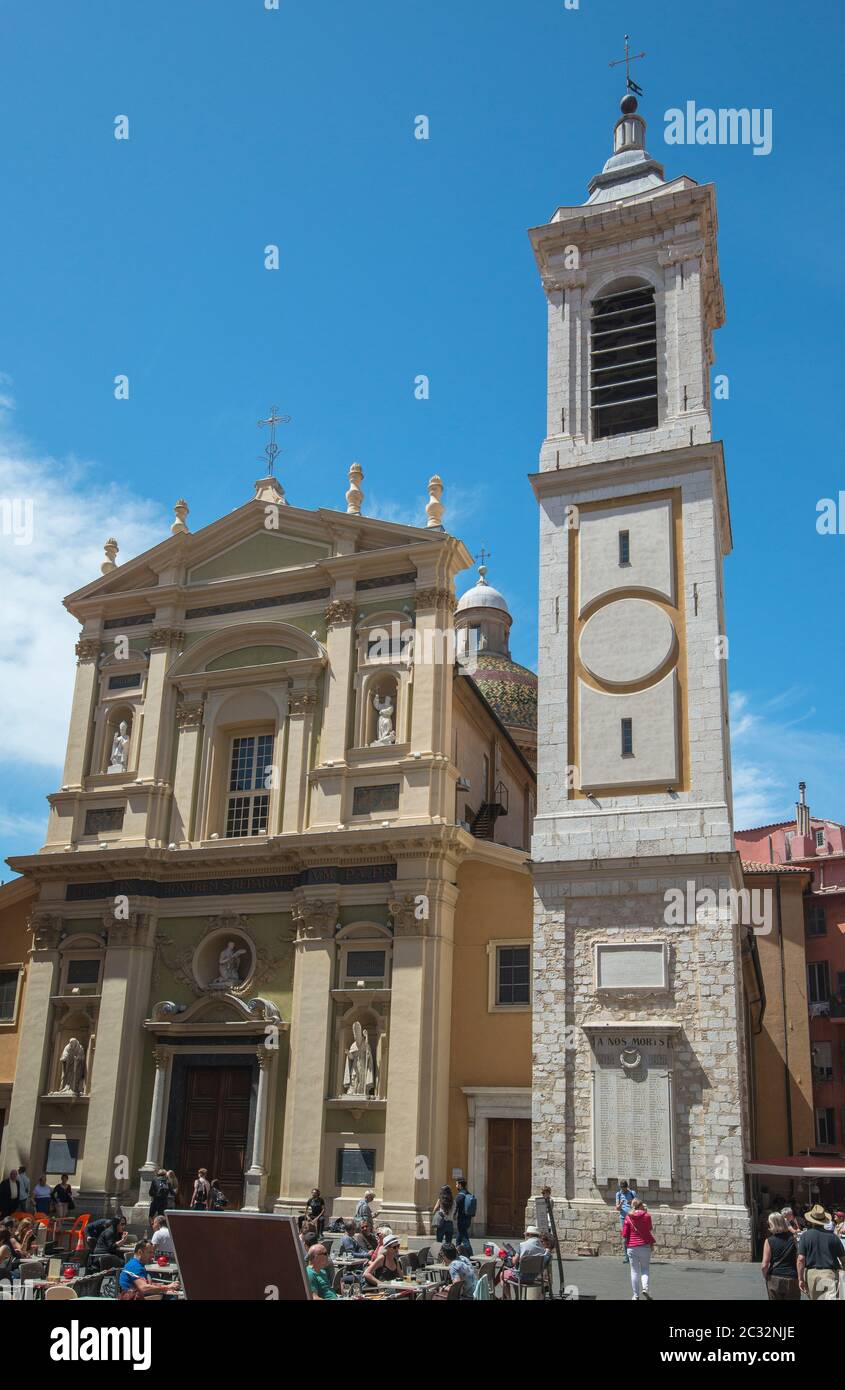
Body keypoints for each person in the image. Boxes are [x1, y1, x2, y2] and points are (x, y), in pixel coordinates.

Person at [797, 1204, 845, 1300]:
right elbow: (843, 1259)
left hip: (812, 1274)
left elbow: (801, 1259)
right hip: (830, 1273)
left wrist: (800, 1278)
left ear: (811, 1221)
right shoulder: (833, 1237)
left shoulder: (805, 1236)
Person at [760, 1211, 799, 1301]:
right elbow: (798, 1259)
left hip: (775, 1277)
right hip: (792, 1277)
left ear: (772, 1224)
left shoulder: (769, 1241)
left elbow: (764, 1265)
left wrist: (766, 1277)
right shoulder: (794, 1239)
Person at [502, 1224, 549, 1298]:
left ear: (529, 1234)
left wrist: (512, 1257)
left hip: (521, 1277)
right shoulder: (542, 1247)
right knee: (515, 1273)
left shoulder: (522, 1245)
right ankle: (517, 1297)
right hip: (533, 1277)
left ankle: (509, 1298)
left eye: (527, 1234)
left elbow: (514, 1262)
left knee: (503, 1274)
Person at [622, 1199, 655, 1300]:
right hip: (644, 1246)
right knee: (645, 1269)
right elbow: (649, 1228)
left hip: (632, 1247)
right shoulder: (647, 1215)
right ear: (641, 1206)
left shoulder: (628, 1217)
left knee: (634, 1271)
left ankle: (636, 1296)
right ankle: (645, 1288)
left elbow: (624, 1234)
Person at [615, 1180, 638, 1264]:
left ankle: (634, 1256)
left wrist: (632, 1203)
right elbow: (617, 1208)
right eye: (621, 1188)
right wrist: (620, 1204)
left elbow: (637, 1205)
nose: (623, 1189)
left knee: (633, 1236)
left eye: (624, 1187)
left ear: (626, 1186)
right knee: (625, 1238)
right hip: (623, 1218)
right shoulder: (618, 1194)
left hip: (632, 1217)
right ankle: (626, 1257)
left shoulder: (632, 1193)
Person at [455, 1178, 476, 1255]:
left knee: (465, 1239)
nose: (456, 1186)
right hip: (468, 1219)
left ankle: (470, 1255)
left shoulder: (460, 1195)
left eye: (457, 1184)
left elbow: (455, 1205)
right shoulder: (468, 1193)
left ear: (460, 1185)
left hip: (461, 1220)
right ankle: (456, 1253)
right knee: (459, 1238)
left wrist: (453, 1215)